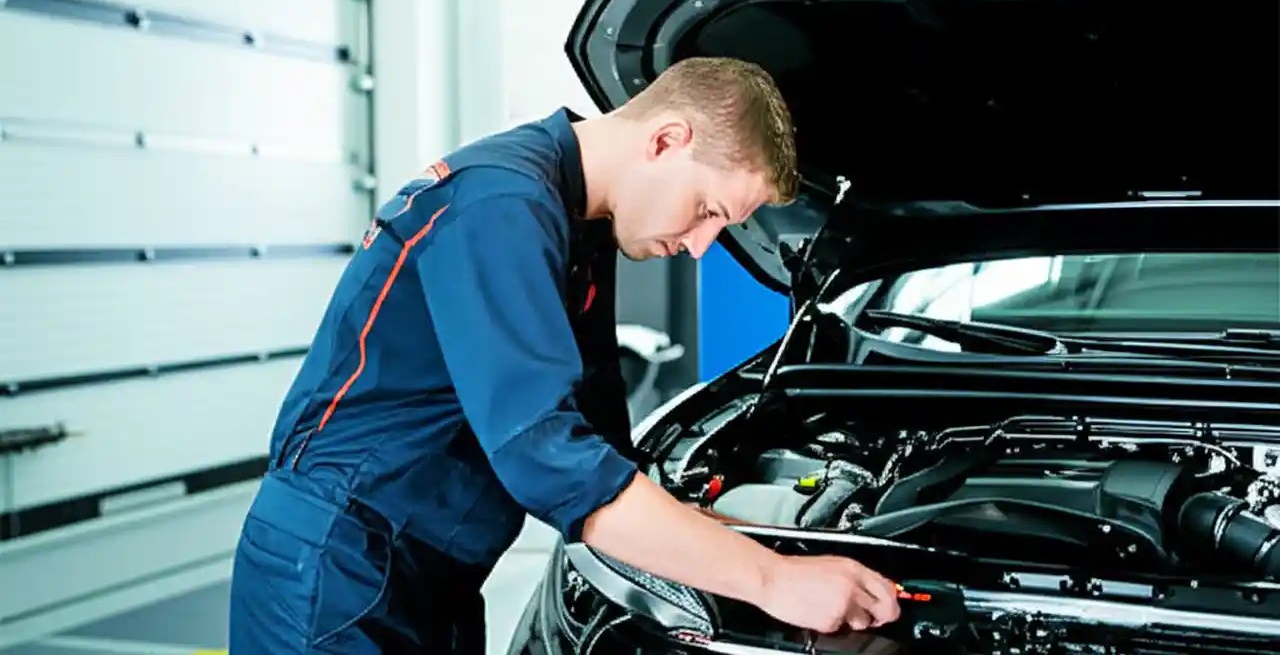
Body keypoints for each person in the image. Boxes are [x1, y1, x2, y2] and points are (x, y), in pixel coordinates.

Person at [227, 56, 900, 654]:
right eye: (706, 209)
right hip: (337, 568)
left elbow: (597, 429)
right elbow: (545, 454)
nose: (702, 246)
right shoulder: (501, 204)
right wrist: (772, 580)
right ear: (666, 140)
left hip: (428, 569)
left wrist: (720, 533)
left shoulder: (575, 220)